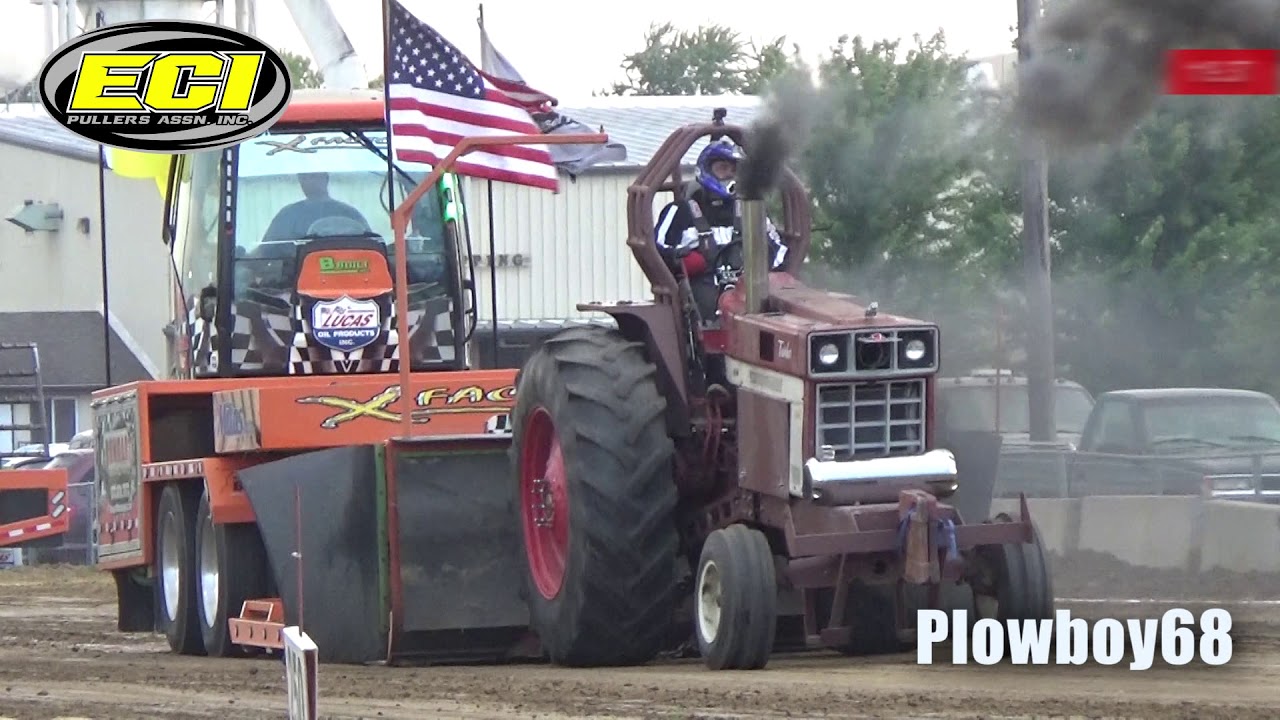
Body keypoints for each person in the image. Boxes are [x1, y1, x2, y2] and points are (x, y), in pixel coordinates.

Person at [653, 138, 788, 325]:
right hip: (699, 294)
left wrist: (762, 266)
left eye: (734, 170)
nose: (730, 175)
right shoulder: (680, 212)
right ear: (706, 170)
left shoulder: (753, 210)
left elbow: (780, 251)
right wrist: (681, 259)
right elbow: (655, 250)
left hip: (748, 289)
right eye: (723, 168)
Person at [261, 172, 373, 243]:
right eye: (304, 177)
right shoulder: (287, 216)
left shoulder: (350, 214)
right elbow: (265, 253)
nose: (308, 182)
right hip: (295, 278)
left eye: (314, 176)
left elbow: (372, 247)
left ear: (325, 178)